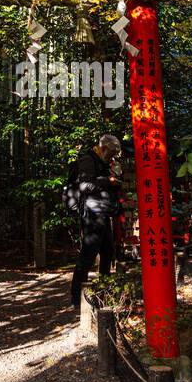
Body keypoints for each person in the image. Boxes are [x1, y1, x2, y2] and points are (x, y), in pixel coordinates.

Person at [70, 133, 123, 312]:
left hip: (103, 212)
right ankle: (76, 298)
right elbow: (85, 186)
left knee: (108, 252)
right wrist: (108, 180)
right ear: (103, 148)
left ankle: (104, 293)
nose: (112, 157)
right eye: (111, 153)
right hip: (92, 214)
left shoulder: (103, 161)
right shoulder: (87, 159)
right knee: (88, 255)